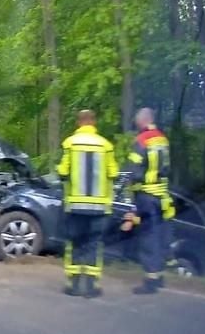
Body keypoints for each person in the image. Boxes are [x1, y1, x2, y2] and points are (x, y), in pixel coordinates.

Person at [56, 110, 118, 298]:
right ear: (94, 122)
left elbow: (62, 172)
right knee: (93, 244)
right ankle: (91, 287)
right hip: (99, 207)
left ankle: (74, 286)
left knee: (75, 244)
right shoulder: (105, 145)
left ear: (79, 122)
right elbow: (114, 173)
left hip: (75, 205)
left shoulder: (70, 143)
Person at [123, 107, 175, 294]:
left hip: (146, 196)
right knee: (159, 236)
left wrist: (130, 187)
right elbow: (166, 168)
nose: (136, 123)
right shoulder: (162, 139)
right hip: (162, 196)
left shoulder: (141, 140)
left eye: (137, 120)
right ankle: (159, 277)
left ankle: (150, 280)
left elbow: (133, 170)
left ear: (143, 120)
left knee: (148, 238)